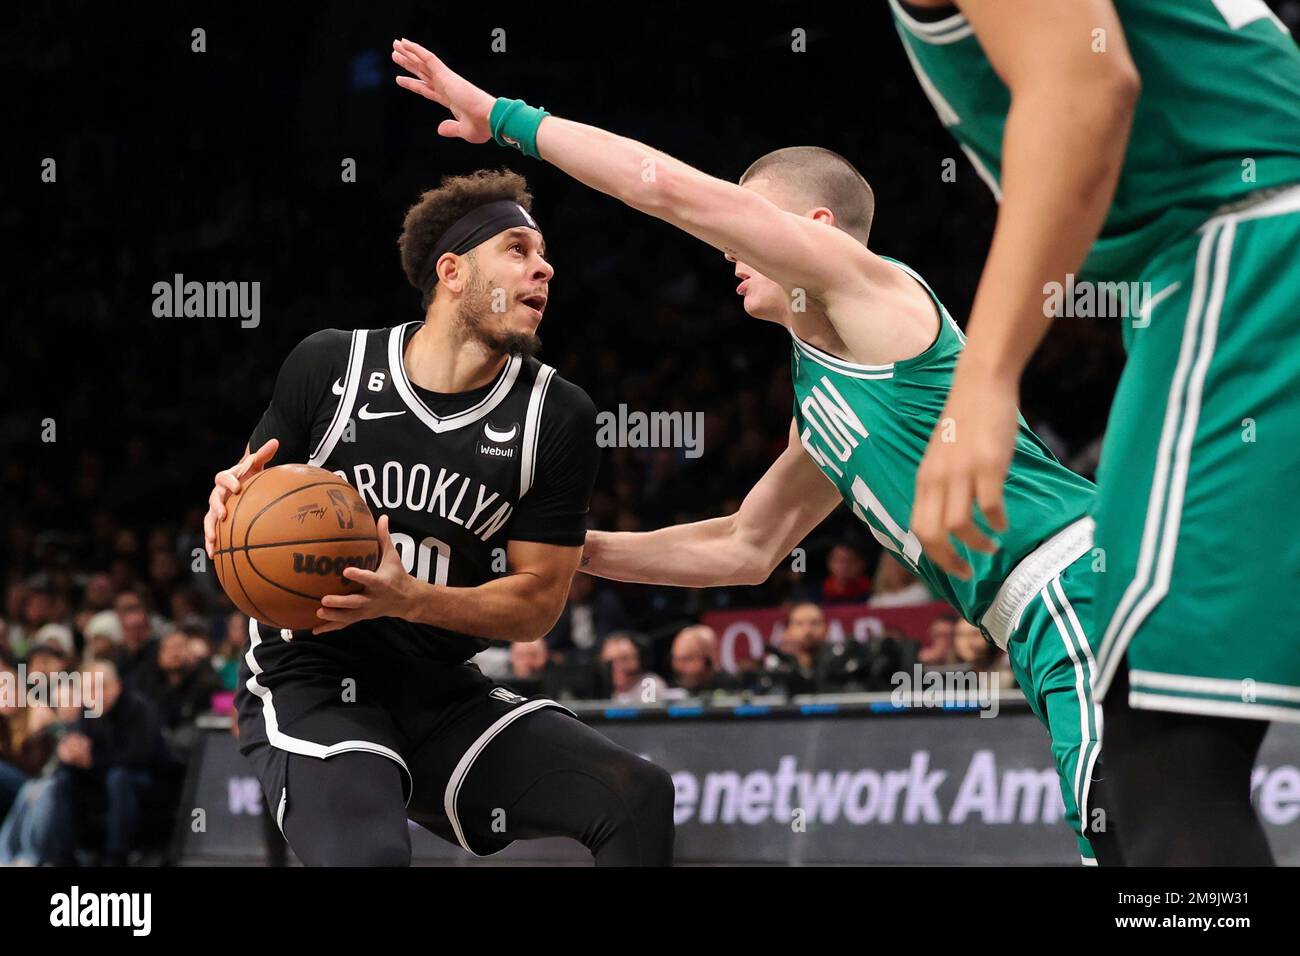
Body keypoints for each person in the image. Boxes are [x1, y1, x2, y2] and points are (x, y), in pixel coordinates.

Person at [386, 38, 1107, 864]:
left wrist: (505, 119)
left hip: (1071, 585)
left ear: (815, 230)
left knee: (1133, 850)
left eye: (749, 218)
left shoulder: (867, 285)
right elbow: (745, 546)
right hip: (1043, 619)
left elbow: (662, 187)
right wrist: (558, 550)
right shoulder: (822, 390)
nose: (731, 247)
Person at [894, 0, 1300, 865]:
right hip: (1242, 248)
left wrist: (985, 375)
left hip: (1250, 244)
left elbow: (1085, 86)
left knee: (1163, 748)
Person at [203, 170, 673, 866]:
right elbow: (243, 527)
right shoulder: (330, 366)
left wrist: (411, 599)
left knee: (635, 794)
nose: (544, 266)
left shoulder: (558, 416)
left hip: (440, 694)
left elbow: (538, 602)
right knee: (371, 859)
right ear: (452, 272)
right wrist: (224, 507)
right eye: (517, 249)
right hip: (313, 674)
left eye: (543, 255)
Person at [669, 625, 739, 695]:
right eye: (675, 659)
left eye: (687, 659)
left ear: (709, 661)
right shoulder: (669, 689)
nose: (678, 666)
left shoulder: (731, 689)